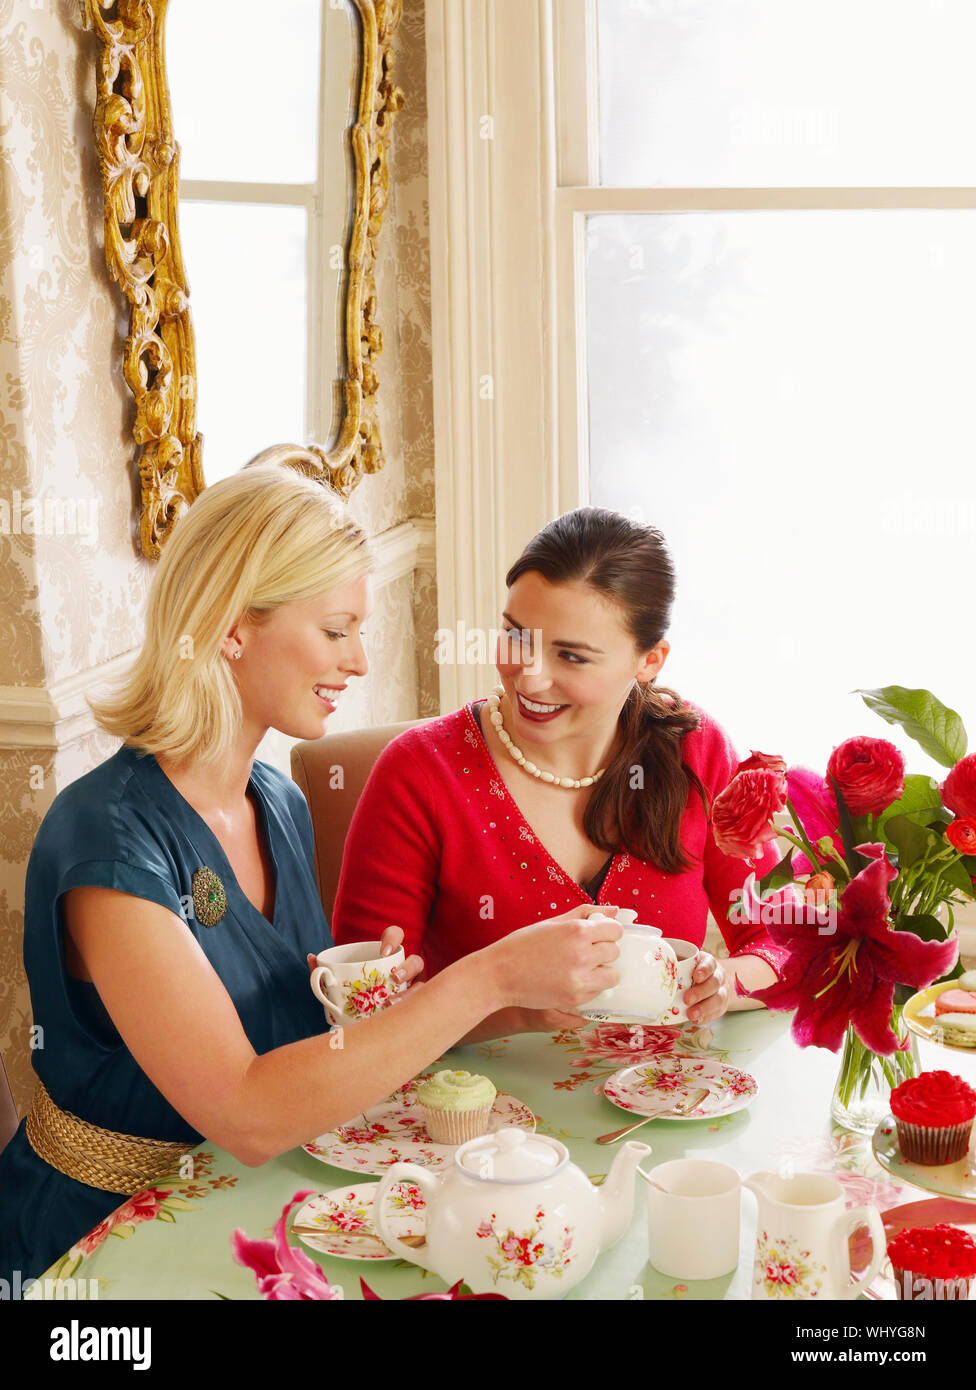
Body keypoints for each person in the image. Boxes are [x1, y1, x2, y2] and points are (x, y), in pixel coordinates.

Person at [0, 465, 624, 1282]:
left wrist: (499, 1003)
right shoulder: (110, 844)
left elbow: (299, 1049)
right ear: (230, 626)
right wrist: (487, 976)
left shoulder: (279, 800)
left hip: (254, 1201)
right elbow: (249, 1111)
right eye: (337, 630)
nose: (360, 661)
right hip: (106, 1244)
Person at [332, 507, 788, 1031]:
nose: (530, 679)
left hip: (663, 1106)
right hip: (475, 1108)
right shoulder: (420, 773)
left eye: (571, 657)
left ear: (649, 661)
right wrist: (517, 1007)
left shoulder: (697, 751)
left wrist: (721, 984)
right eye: (517, 636)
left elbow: (783, 944)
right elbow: (359, 1021)